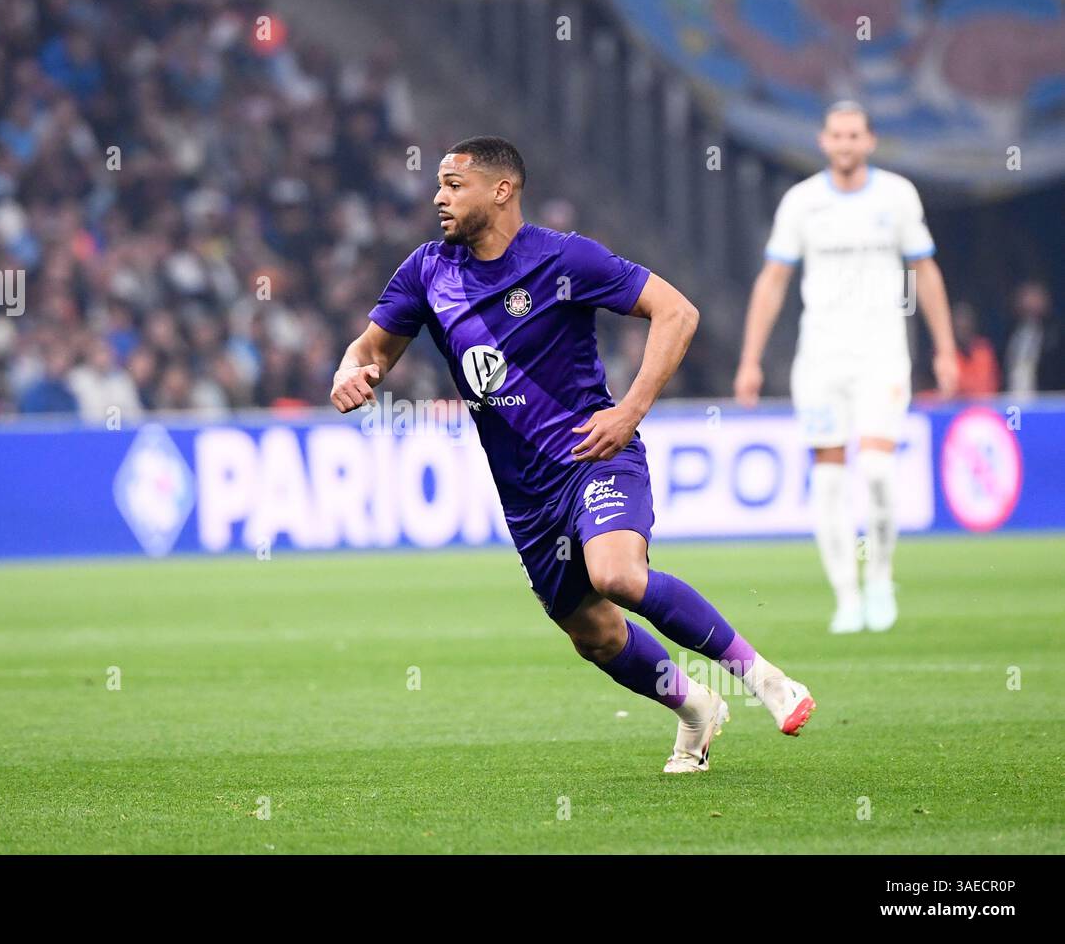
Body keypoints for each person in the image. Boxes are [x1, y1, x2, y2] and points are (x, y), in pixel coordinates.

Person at [330, 136, 814, 774]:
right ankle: (696, 708)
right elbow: (371, 351)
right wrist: (350, 373)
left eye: (453, 184)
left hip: (594, 457)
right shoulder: (427, 270)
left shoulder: (564, 258)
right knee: (596, 634)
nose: (438, 197)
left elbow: (677, 312)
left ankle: (766, 680)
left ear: (502, 190)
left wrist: (631, 411)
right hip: (526, 495)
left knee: (616, 573)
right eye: (439, 185)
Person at [734, 101, 958, 634]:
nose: (845, 143)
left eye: (854, 135)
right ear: (823, 140)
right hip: (821, 360)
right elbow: (773, 281)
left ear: (870, 141)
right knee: (830, 481)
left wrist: (945, 347)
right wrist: (751, 359)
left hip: (882, 354)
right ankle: (846, 596)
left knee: (878, 470)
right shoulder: (803, 203)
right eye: (837, 135)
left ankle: (880, 576)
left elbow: (924, 272)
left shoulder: (897, 196)